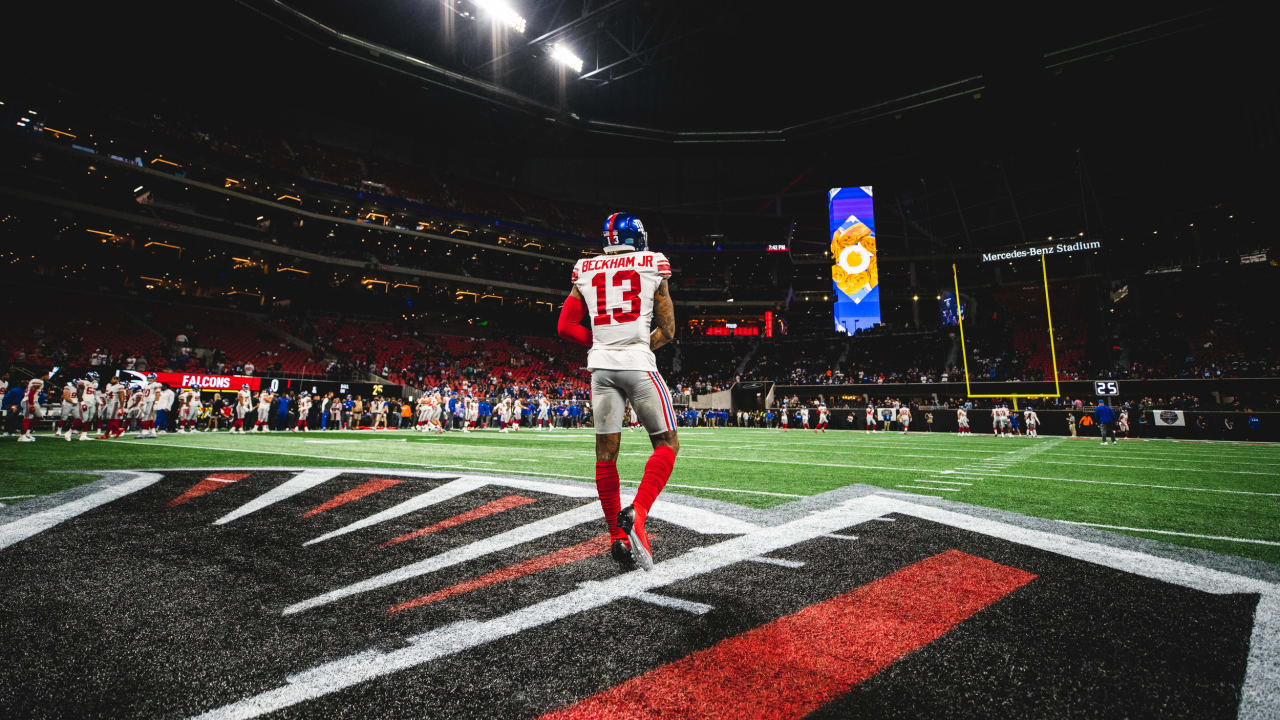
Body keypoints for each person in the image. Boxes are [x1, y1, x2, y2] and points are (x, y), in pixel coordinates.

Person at [556, 211, 677, 572]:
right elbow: (668, 330)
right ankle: (638, 512)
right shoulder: (653, 262)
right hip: (638, 363)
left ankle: (617, 539)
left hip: (601, 368)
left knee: (606, 456)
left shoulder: (585, 268)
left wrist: (604, 344)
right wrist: (633, 346)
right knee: (666, 443)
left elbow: (565, 326)